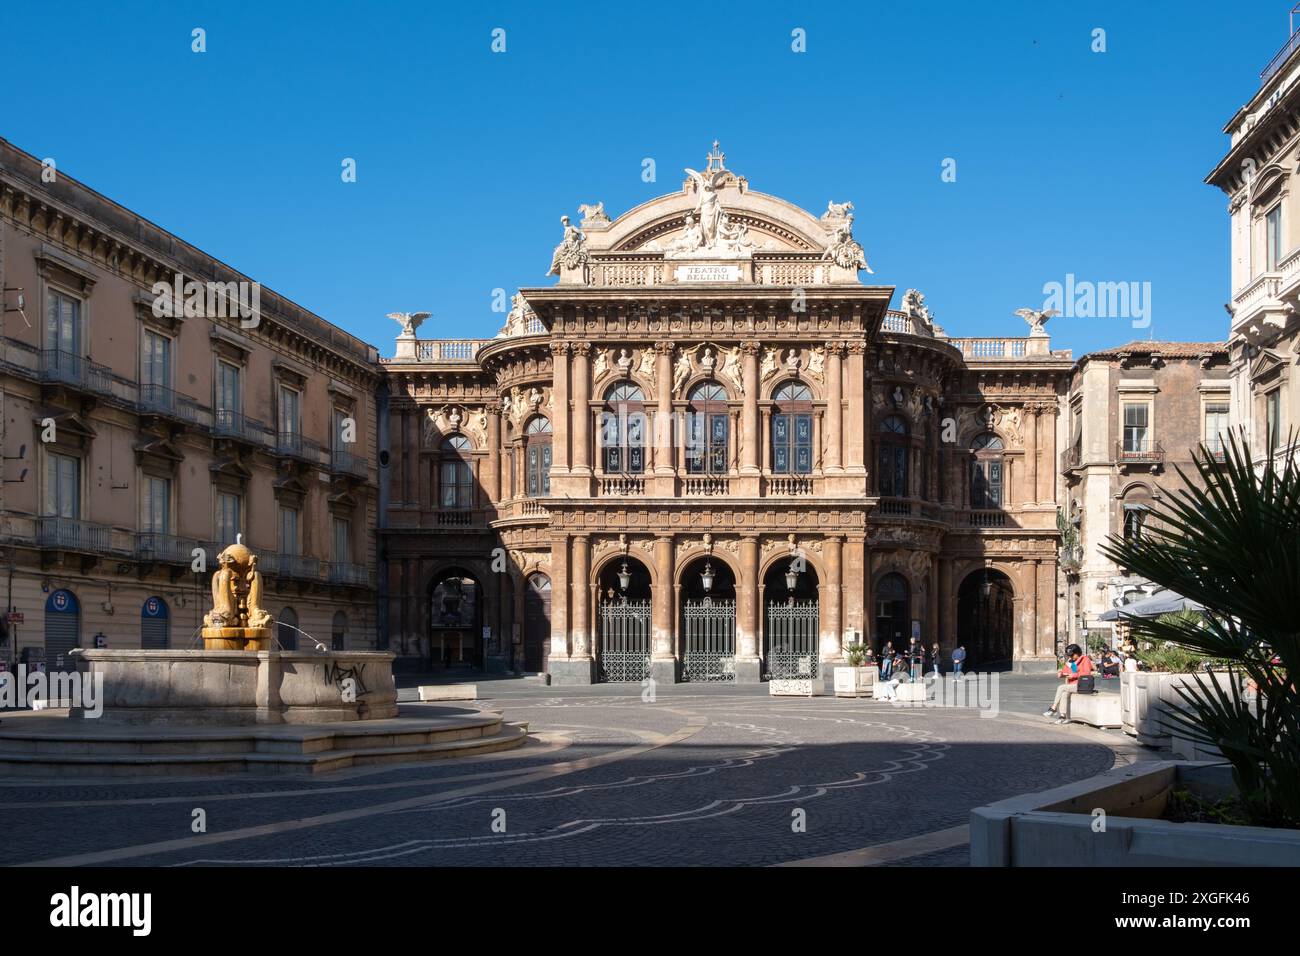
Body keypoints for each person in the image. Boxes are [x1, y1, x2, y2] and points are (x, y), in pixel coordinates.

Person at [1045, 643, 1094, 724]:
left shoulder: (1085, 659)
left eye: (1072, 655)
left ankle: (1053, 708)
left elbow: (1086, 673)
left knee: (1061, 687)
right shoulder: (1071, 662)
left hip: (1082, 685)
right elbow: (1066, 671)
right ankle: (1063, 716)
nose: (1071, 657)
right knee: (1064, 693)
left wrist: (1074, 675)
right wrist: (1061, 674)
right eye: (1069, 655)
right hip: (1072, 685)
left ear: (1077, 653)